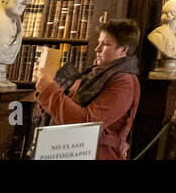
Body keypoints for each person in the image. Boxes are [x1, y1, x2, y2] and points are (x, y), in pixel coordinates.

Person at [34, 19, 141, 160]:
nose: (97, 48)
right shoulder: (94, 74)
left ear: (123, 50)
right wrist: (50, 95)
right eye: (99, 43)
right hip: (72, 150)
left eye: (106, 44)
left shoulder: (124, 82)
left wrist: (49, 90)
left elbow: (88, 122)